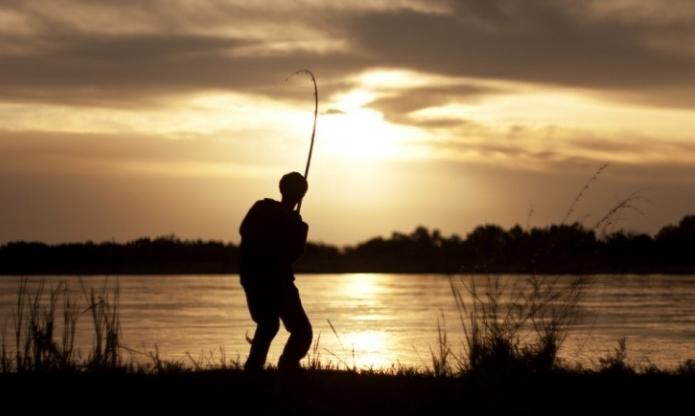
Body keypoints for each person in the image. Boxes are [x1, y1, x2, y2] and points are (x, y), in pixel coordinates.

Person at [239, 171, 312, 371]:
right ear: (301, 196)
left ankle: (256, 367)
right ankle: (286, 364)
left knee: (269, 324)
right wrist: (288, 223)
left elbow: (293, 254)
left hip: (257, 278)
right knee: (300, 330)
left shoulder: (296, 224)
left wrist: (294, 227)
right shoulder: (264, 209)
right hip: (268, 279)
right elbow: (248, 232)